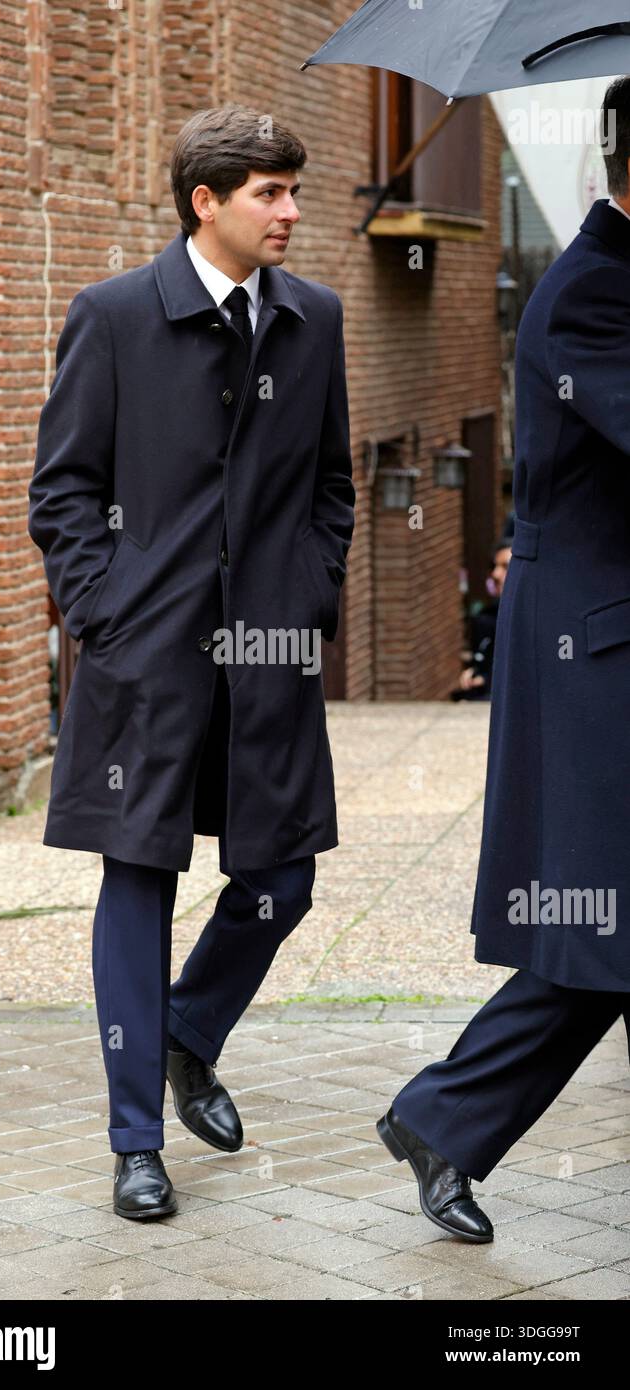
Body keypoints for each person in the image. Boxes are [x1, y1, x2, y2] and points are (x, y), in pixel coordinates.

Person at [28, 105, 355, 1220]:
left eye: (294, 189)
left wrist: (307, 596)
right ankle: (136, 1144)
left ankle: (186, 1029)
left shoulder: (316, 319)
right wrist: (105, 615)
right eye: (270, 192)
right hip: (144, 660)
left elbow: (331, 485)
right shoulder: (114, 317)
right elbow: (62, 490)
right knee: (139, 878)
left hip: (267, 655)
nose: (293, 211)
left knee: (285, 874)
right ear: (204, 202)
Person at [376, 75, 630, 1243]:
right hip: (595, 650)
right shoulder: (586, 298)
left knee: (609, 927)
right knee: (596, 920)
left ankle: (446, 1117)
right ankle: (444, 1113)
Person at [452, 533, 512, 701]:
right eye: (494, 566)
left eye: (506, 567)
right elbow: (482, 662)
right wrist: (475, 674)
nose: (496, 574)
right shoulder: (486, 619)